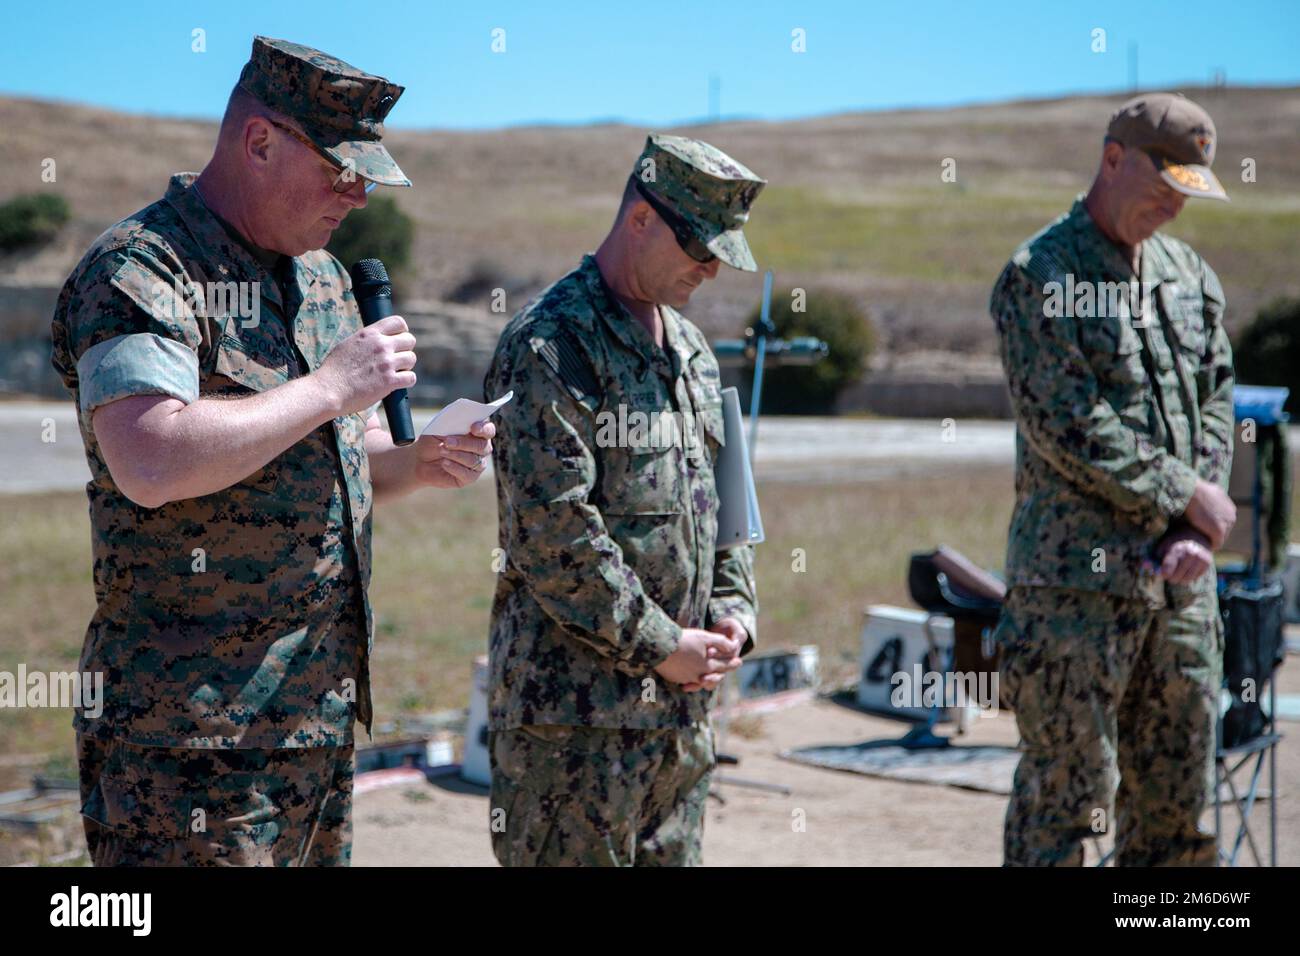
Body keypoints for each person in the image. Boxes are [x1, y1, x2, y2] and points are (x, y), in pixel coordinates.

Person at [50, 36, 494, 866]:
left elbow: (333, 450)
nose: (358, 194)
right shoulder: (143, 269)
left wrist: (418, 461)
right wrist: (331, 385)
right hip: (185, 747)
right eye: (339, 170)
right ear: (259, 142)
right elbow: (149, 458)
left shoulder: (320, 277)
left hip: (313, 723)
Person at [483, 134, 765, 866]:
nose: (709, 269)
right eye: (699, 247)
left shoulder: (694, 351)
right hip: (573, 733)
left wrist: (735, 609)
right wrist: (664, 645)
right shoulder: (551, 344)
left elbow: (727, 497)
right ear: (640, 218)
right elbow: (555, 537)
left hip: (678, 727)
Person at [989, 92, 1237, 866]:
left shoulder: (1189, 276)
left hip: (1181, 595)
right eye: (1162, 187)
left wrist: (1202, 524)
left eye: (1187, 194)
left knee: (1177, 810)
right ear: (1111, 160)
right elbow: (1068, 423)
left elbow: (1217, 398)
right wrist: (1182, 495)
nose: (1172, 208)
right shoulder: (1041, 275)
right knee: (1065, 805)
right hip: (1074, 595)